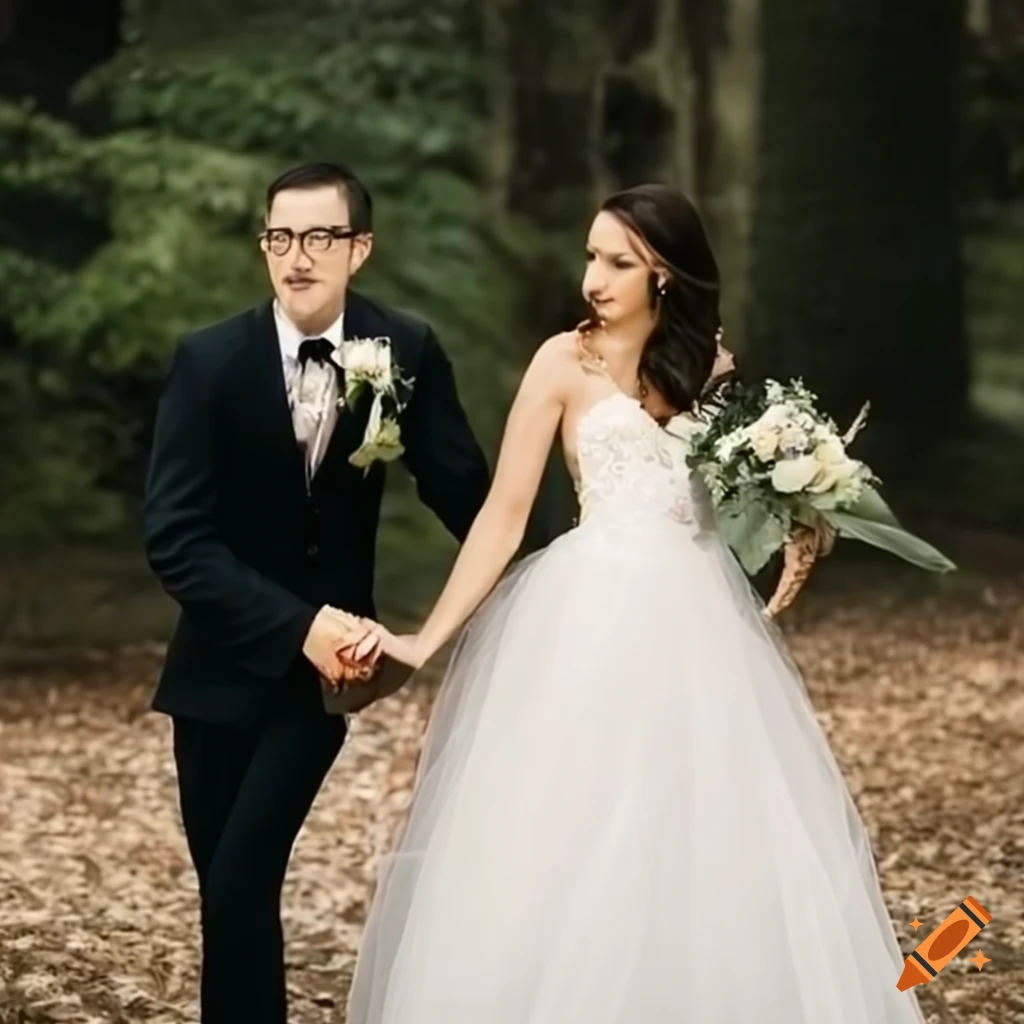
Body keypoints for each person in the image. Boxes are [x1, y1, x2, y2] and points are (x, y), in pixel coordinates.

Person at [344, 184, 926, 1023]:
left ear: (665, 276)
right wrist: (423, 639)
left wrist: (807, 520)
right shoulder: (561, 362)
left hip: (698, 626)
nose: (595, 277)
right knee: (575, 829)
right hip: (590, 615)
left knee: (706, 829)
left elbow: (745, 497)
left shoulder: (715, 371)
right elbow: (504, 519)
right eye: (591, 256)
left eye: (619, 261)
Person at [142, 161, 489, 1024]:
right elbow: (176, 538)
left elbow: (474, 502)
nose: (298, 256)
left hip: (326, 683)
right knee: (226, 898)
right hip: (215, 671)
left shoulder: (403, 350)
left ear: (358, 248)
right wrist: (298, 625)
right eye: (281, 236)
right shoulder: (209, 360)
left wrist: (579, 553)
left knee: (243, 874)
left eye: (321, 237)